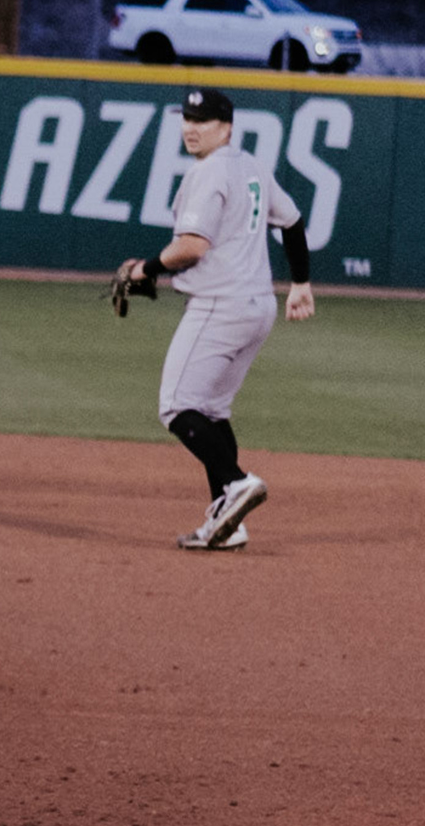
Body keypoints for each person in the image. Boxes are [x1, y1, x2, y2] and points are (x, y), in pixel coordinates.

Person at [115, 87, 316, 550]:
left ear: (226, 127)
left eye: (201, 120)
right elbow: (291, 221)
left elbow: (192, 247)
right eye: (186, 118)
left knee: (176, 406)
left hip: (219, 306)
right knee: (211, 410)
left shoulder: (210, 173)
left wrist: (144, 268)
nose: (190, 127)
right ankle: (229, 524)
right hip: (257, 307)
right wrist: (301, 283)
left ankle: (236, 483)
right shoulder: (250, 167)